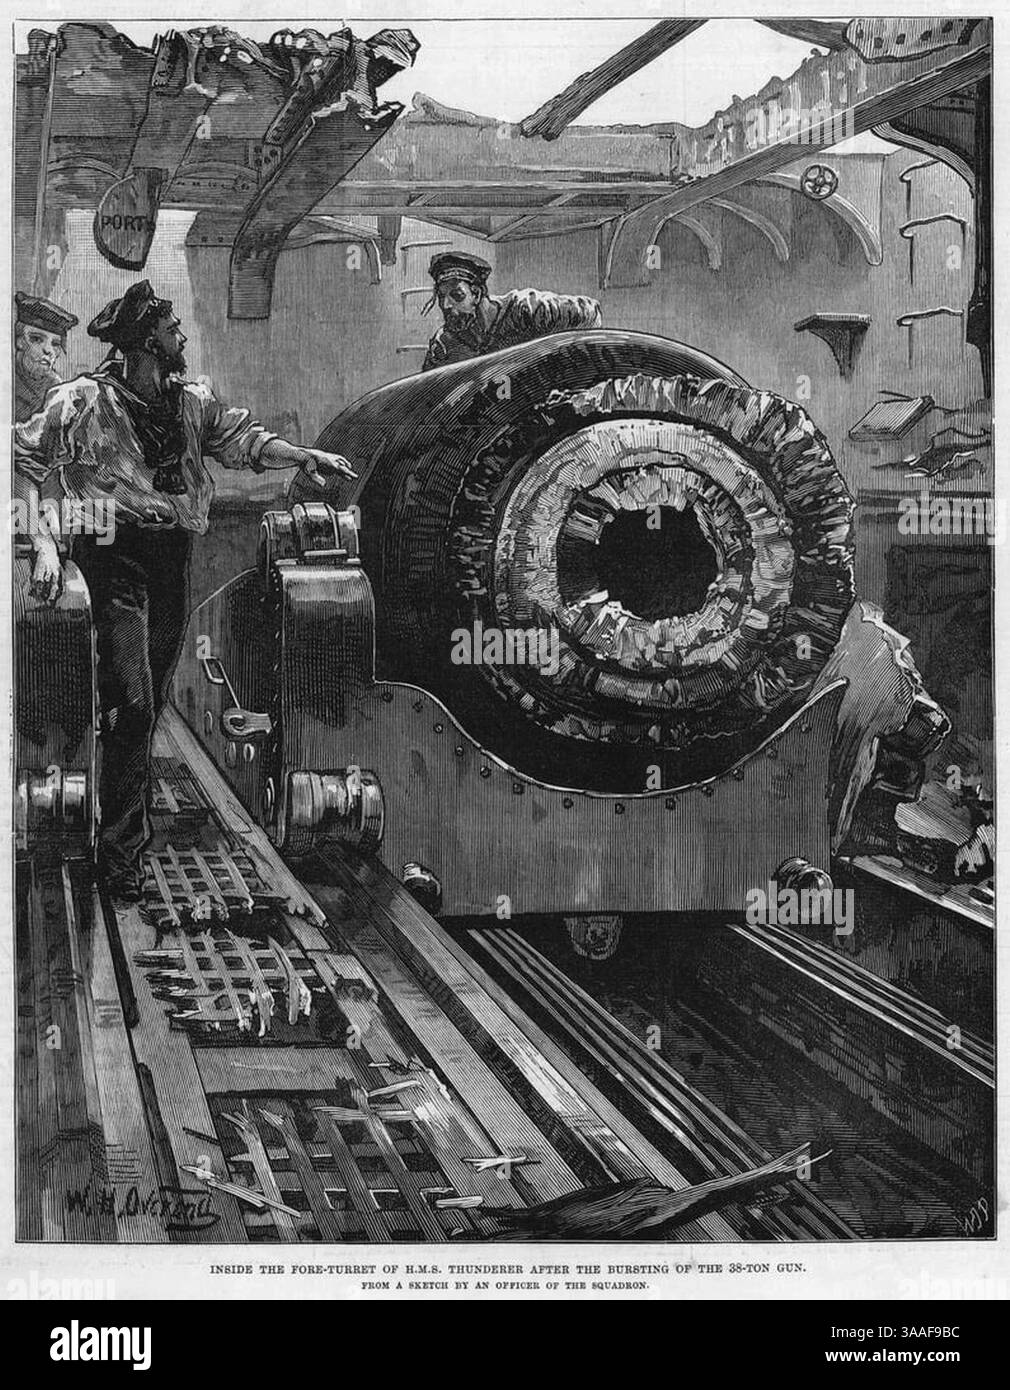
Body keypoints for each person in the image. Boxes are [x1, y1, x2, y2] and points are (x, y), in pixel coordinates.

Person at [14, 280, 355, 900]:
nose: (183, 339)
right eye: (173, 331)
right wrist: (40, 539)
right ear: (147, 342)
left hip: (172, 560)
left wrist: (303, 456)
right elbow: (22, 457)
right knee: (133, 704)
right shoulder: (82, 400)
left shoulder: (193, 401)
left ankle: (118, 829)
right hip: (110, 559)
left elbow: (243, 441)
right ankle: (119, 860)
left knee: (142, 709)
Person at [421, 252, 602, 371]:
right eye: (441, 297)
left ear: (476, 294)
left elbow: (590, 313)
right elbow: (431, 392)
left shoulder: (527, 310)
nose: (446, 305)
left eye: (456, 295)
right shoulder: (444, 344)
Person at [14, 290, 78, 421]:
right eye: (36, 339)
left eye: (55, 344)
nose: (48, 350)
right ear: (19, 341)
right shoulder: (8, 382)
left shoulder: (57, 388)